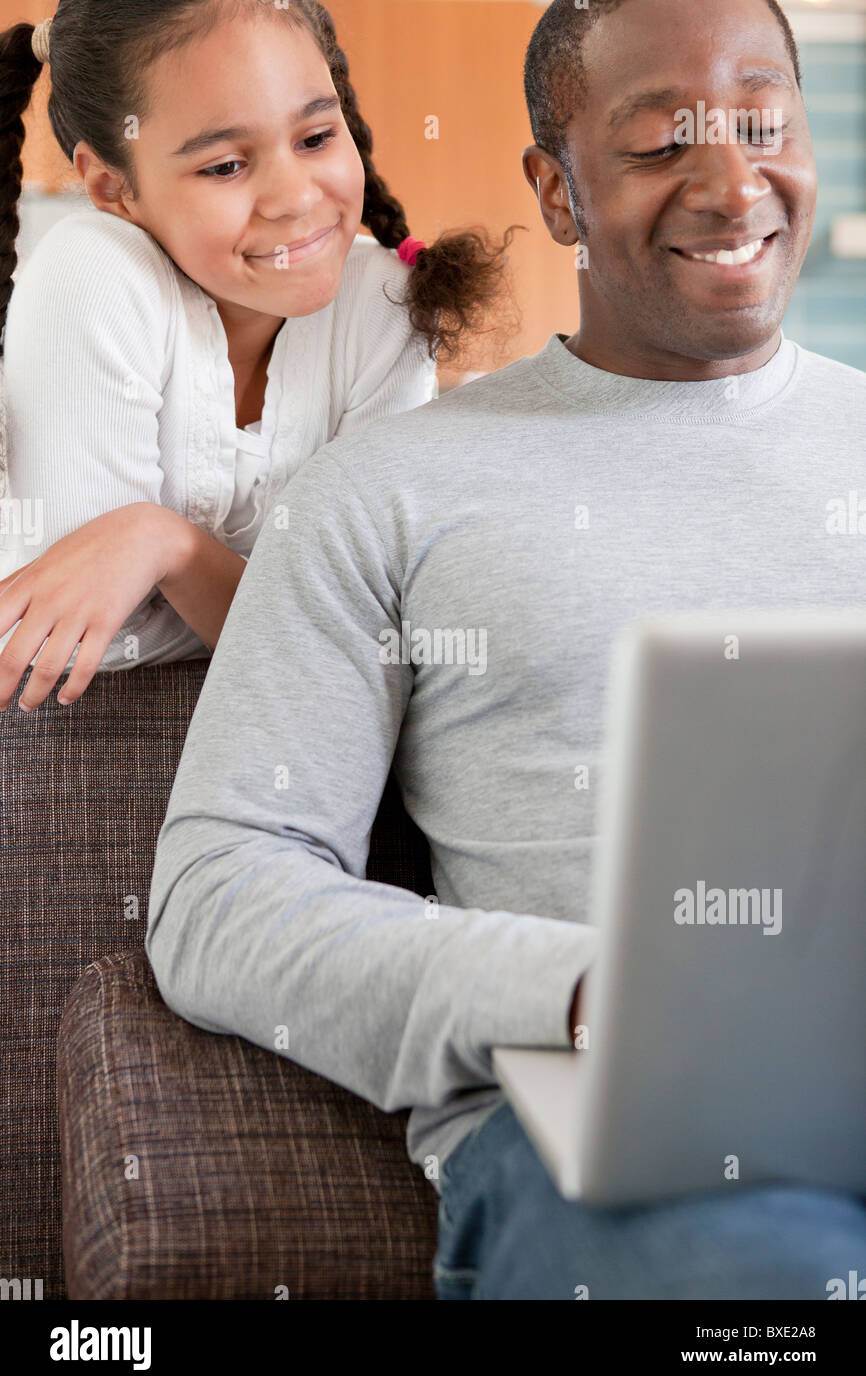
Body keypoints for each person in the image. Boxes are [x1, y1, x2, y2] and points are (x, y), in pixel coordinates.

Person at [145, 0, 866, 1299]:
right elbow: (218, 891)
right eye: (660, 145)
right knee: (769, 1278)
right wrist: (589, 989)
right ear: (556, 188)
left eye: (761, 124)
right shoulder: (381, 491)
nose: (730, 180)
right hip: (622, 1145)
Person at [0, 0, 515, 713]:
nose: (296, 198)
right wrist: (286, 604)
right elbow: (94, 640)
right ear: (112, 187)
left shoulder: (386, 308)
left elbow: (366, 640)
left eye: (314, 137)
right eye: (225, 165)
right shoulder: (92, 273)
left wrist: (163, 546)